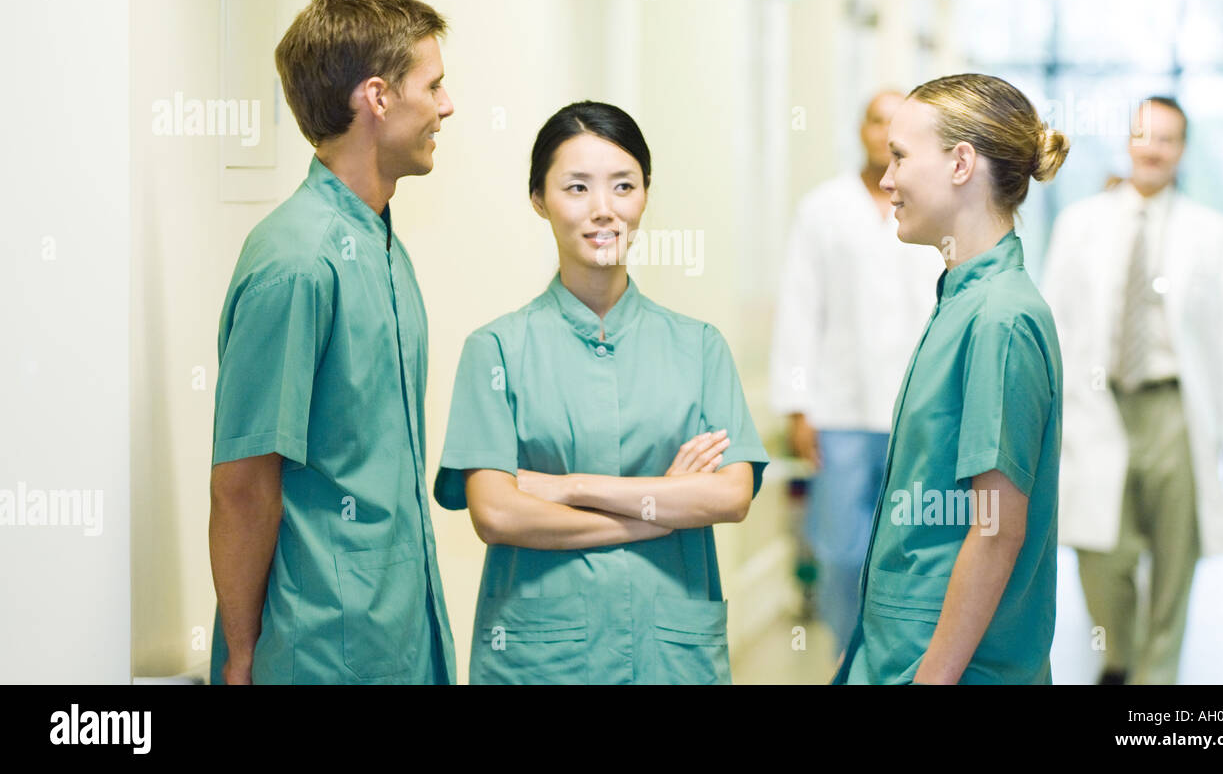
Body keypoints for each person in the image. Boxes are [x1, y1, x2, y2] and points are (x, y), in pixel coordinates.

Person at [434, 101, 769, 684]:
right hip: (539, 660)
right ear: (538, 199)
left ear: (645, 195)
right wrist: (657, 511)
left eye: (623, 186)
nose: (603, 210)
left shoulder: (700, 347)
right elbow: (496, 512)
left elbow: (730, 497)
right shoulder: (497, 351)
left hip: (671, 656)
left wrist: (569, 488)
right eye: (577, 187)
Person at [207, 0, 458, 684]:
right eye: (433, 86)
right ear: (376, 98)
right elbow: (243, 485)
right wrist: (243, 654)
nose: (446, 106)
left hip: (400, 638)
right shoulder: (297, 263)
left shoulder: (379, 243)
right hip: (316, 652)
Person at [832, 73, 1069, 685]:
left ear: (961, 163)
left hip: (954, 665)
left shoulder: (1000, 319)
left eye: (900, 158)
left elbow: (995, 533)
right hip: (904, 645)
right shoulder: (962, 300)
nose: (886, 180)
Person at [1042, 97, 1223, 685]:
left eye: (1167, 139)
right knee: (1101, 551)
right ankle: (1118, 656)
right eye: (1145, 136)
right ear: (1128, 141)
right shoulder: (1080, 224)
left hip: (1174, 409)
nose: (1153, 148)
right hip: (1098, 403)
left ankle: (1155, 680)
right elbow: (1055, 326)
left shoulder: (1210, 232)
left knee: (1174, 554)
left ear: (1182, 151)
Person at [770, 90, 943, 654]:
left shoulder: (932, 204)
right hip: (839, 409)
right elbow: (800, 306)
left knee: (913, 547)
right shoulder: (823, 208)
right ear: (860, 129)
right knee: (842, 549)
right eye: (875, 120)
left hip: (916, 412)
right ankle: (851, 655)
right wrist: (798, 405)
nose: (883, 133)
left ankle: (902, 659)